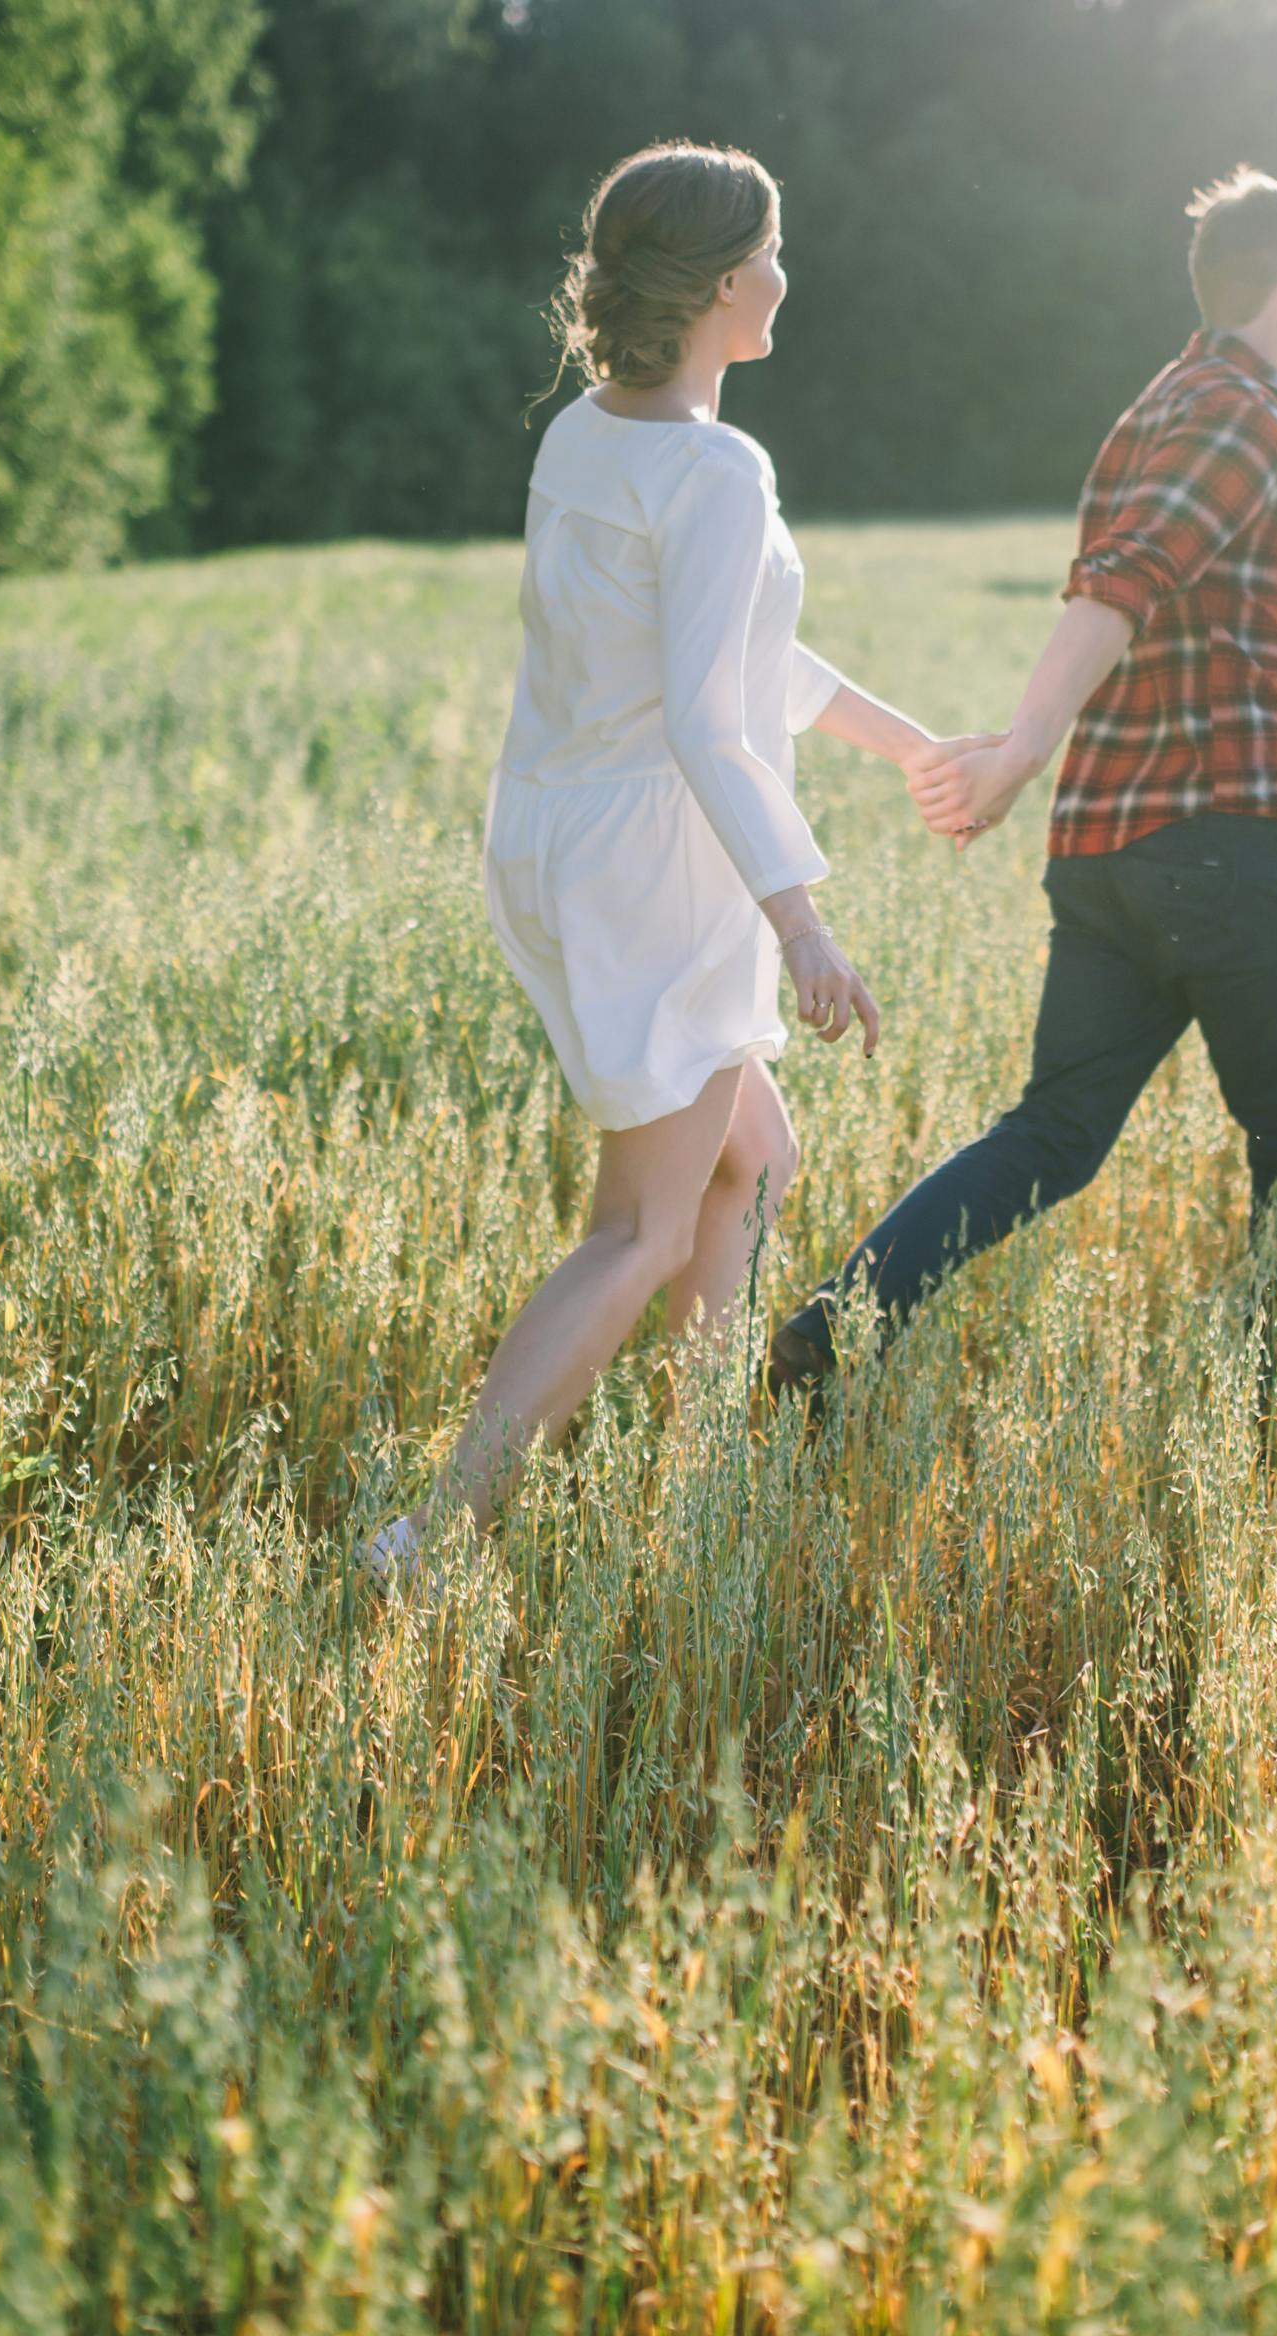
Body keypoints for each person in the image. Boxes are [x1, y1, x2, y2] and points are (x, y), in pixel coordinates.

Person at [363, 143, 969, 1583]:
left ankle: (699, 1491)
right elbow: (709, 715)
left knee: (752, 1161)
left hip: (563, 838)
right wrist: (803, 927)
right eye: (769, 249)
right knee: (636, 1227)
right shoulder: (715, 465)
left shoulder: (590, 431)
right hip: (660, 862)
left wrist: (907, 744)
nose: (782, 273)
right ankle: (430, 1541)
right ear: (714, 286)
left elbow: (733, 654)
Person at [765, 166, 1277, 1400]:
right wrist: (1017, 744)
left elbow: (1203, 631)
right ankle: (1258, 1423)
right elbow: (1118, 583)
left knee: (1051, 1135)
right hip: (1218, 856)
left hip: (1110, 860)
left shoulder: (1159, 407)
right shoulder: (1243, 416)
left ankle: (834, 1326)